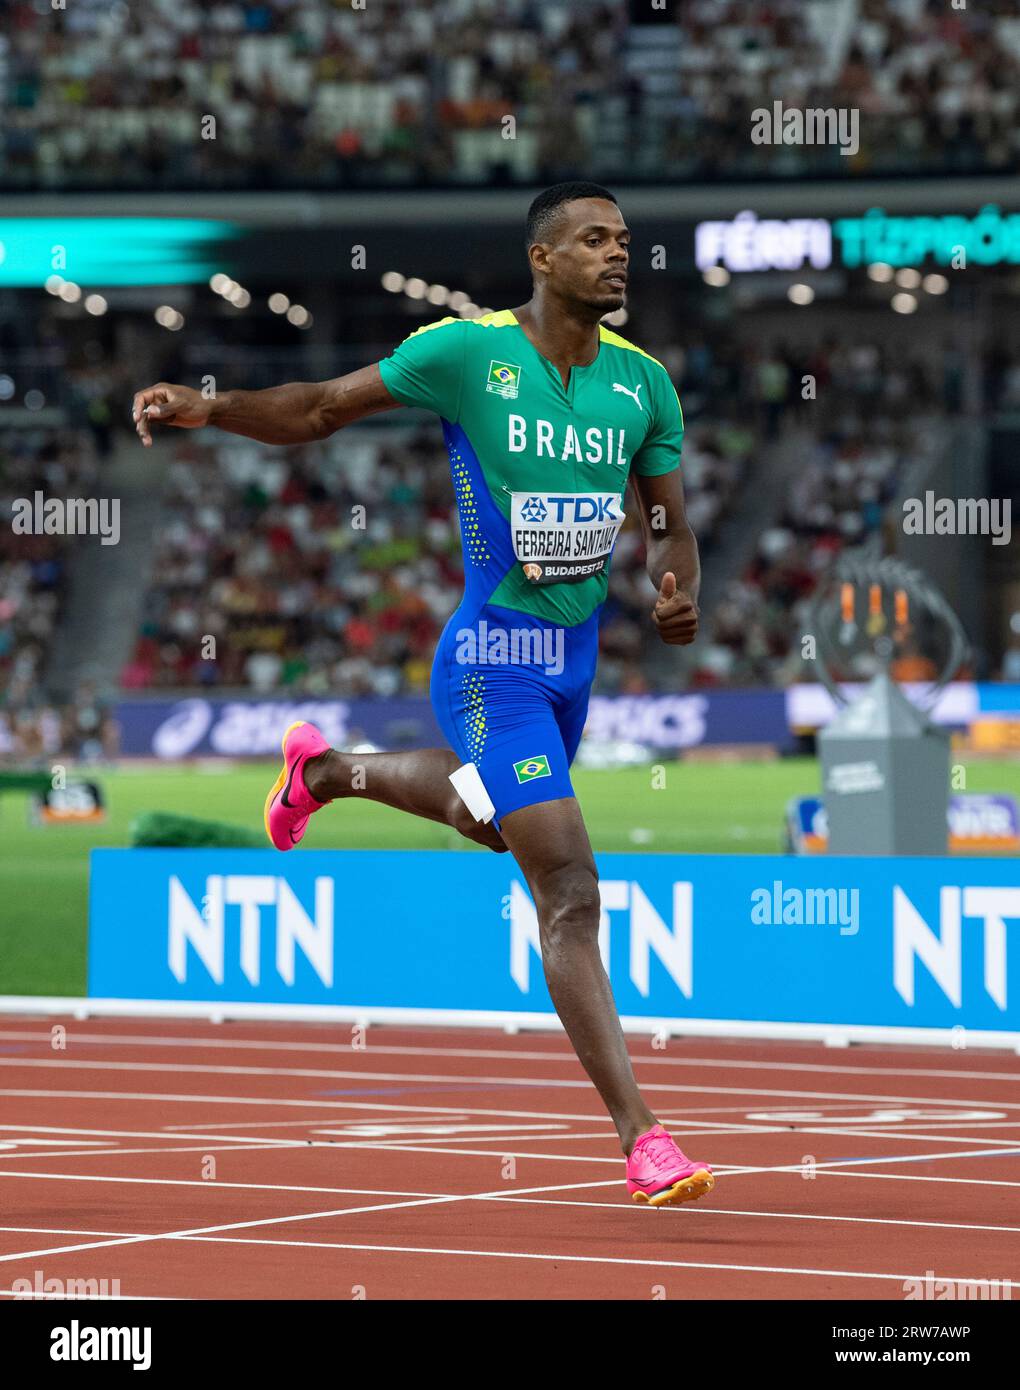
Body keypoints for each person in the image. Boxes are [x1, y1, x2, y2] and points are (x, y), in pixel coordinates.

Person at [132, 181, 713, 1207]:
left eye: (624, 240)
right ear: (543, 258)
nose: (619, 255)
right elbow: (320, 409)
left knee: (489, 821)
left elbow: (667, 517)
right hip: (490, 660)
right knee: (568, 887)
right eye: (594, 240)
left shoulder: (643, 385)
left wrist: (681, 587)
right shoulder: (464, 354)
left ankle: (327, 768)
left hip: (574, 667)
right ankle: (642, 1135)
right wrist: (212, 407)